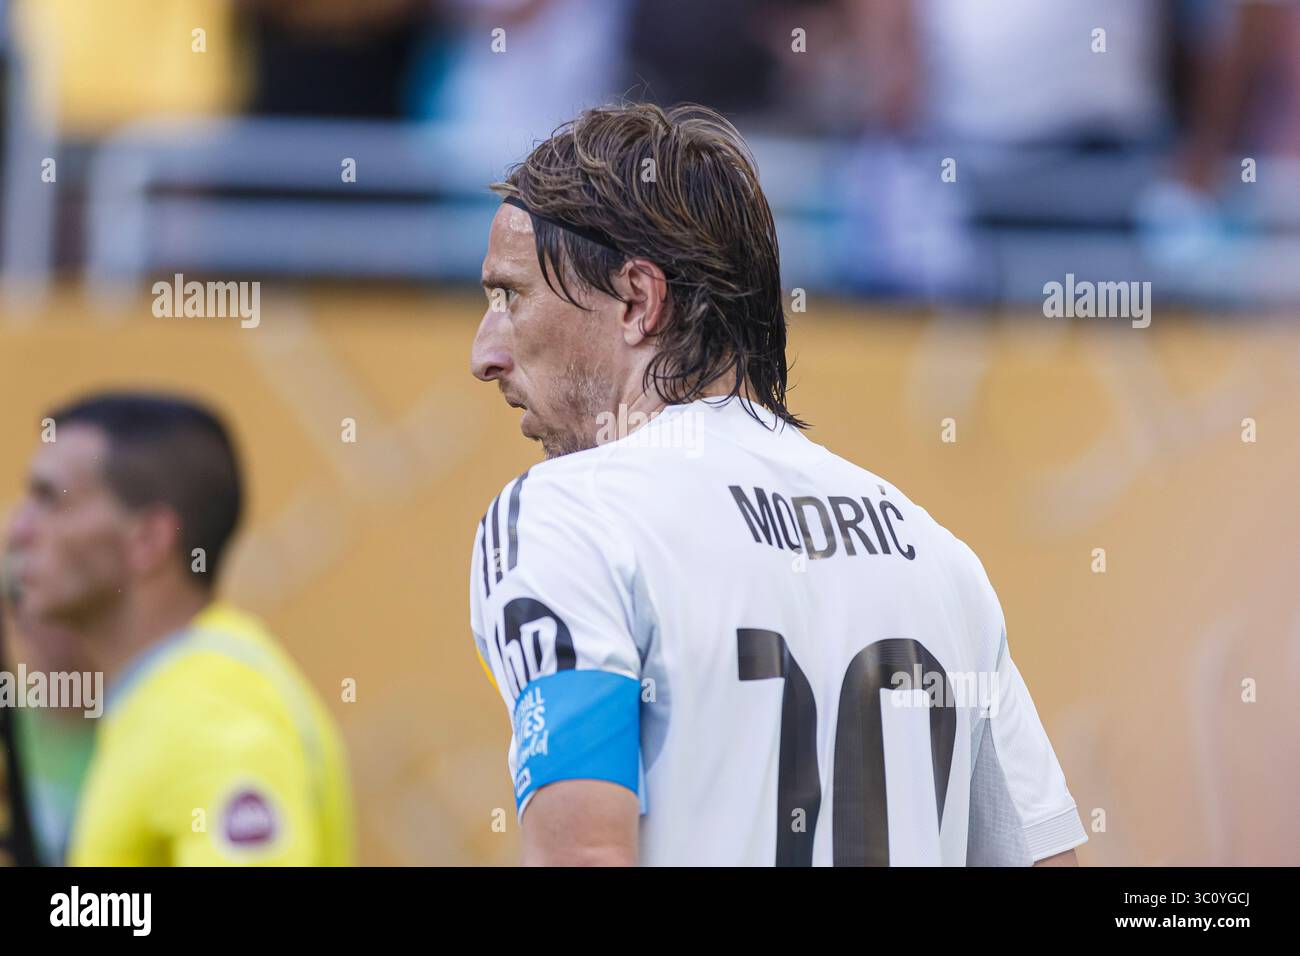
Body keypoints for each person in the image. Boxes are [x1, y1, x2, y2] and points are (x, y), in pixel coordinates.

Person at [468, 102, 1087, 866]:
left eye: (509, 296)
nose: (485, 354)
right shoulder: (940, 559)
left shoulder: (567, 516)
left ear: (636, 300)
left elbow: (583, 855)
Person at [5, 393, 353, 865]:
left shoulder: (210, 709)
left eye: (51, 500)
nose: (18, 529)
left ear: (148, 539)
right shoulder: (163, 696)